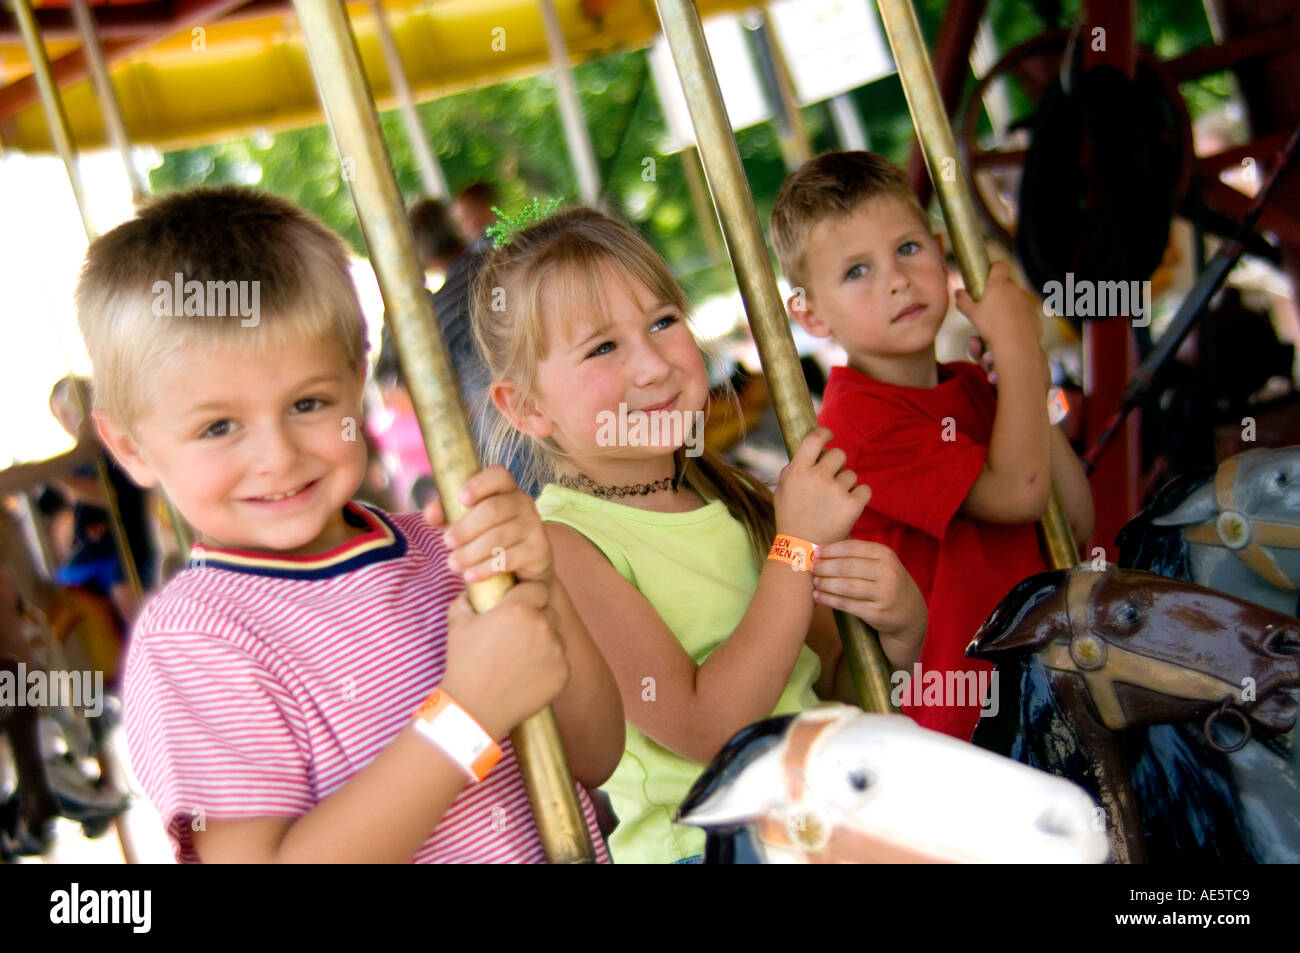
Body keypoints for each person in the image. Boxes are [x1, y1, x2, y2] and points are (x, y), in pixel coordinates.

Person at [74, 185, 623, 863]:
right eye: (219, 426)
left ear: (356, 378)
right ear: (129, 445)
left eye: (308, 402)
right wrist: (466, 718)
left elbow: (596, 754)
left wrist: (540, 583)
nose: (277, 456)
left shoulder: (440, 548)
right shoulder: (196, 641)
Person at [472, 205, 928, 863]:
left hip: (818, 814)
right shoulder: (567, 548)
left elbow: (832, 679)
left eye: (663, 322)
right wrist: (794, 548)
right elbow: (709, 729)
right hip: (707, 841)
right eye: (603, 347)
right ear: (526, 406)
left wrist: (903, 629)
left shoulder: (732, 492)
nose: (654, 365)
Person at [770, 151, 1094, 741]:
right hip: (978, 718)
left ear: (942, 250)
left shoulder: (968, 385)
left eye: (907, 249)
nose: (895, 279)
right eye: (856, 272)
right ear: (812, 315)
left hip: (1054, 676)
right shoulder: (858, 429)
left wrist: (1025, 384)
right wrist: (1021, 350)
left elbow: (1072, 515)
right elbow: (1018, 495)